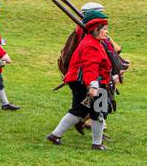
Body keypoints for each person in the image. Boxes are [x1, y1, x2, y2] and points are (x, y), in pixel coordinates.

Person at [47, 8, 114, 151]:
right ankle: (96, 144)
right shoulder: (91, 45)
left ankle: (55, 135)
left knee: (80, 110)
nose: (107, 32)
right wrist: (93, 86)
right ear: (96, 29)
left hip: (86, 81)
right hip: (88, 82)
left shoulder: (94, 42)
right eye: (104, 29)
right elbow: (90, 67)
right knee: (97, 111)